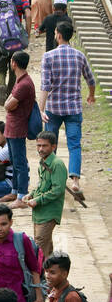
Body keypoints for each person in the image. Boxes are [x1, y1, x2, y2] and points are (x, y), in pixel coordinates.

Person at [38, 21, 94, 194]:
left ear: (59, 35)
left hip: (53, 109)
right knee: (74, 145)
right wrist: (91, 95)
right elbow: (90, 80)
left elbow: (45, 86)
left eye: (55, 32)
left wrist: (41, 109)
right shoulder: (79, 56)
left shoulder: (48, 56)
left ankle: (49, 180)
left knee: (49, 145)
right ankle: (75, 180)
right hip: (73, 108)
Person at [16, 130, 67, 261]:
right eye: (39, 145)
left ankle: (39, 278)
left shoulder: (57, 164)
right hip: (39, 212)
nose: (40, 149)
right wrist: (31, 195)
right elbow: (42, 185)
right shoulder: (42, 162)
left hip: (49, 212)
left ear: (53, 147)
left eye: (44, 146)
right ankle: (50, 276)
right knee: (46, 248)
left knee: (38, 248)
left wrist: (38, 200)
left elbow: (58, 190)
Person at [3, 51, 35, 199]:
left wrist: (9, 105)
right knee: (14, 161)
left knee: (20, 163)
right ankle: (15, 191)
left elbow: (9, 105)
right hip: (12, 127)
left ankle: (21, 195)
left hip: (17, 127)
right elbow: (8, 103)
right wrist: (9, 104)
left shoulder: (24, 84)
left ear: (14, 63)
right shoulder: (20, 81)